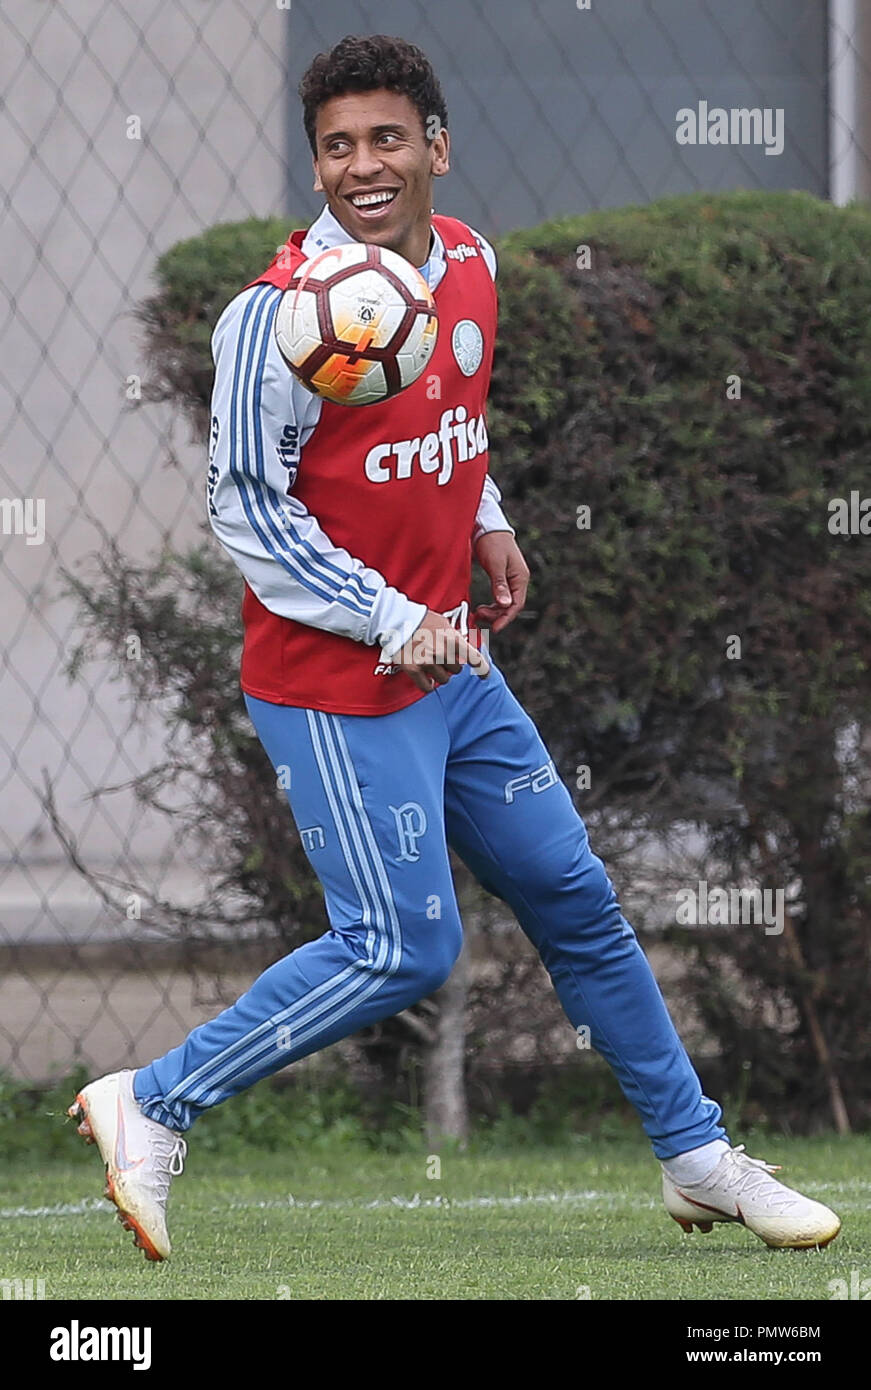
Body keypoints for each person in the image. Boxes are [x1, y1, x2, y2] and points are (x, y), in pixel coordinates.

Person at [69, 33, 840, 1262]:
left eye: (386, 138)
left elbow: (454, 423)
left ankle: (698, 1160)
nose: (361, 165)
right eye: (335, 146)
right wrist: (393, 620)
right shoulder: (273, 320)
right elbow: (246, 514)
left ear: (436, 146)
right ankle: (150, 1100)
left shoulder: (470, 260)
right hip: (338, 686)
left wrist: (487, 525)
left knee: (573, 895)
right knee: (402, 942)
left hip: (454, 668)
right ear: (313, 165)